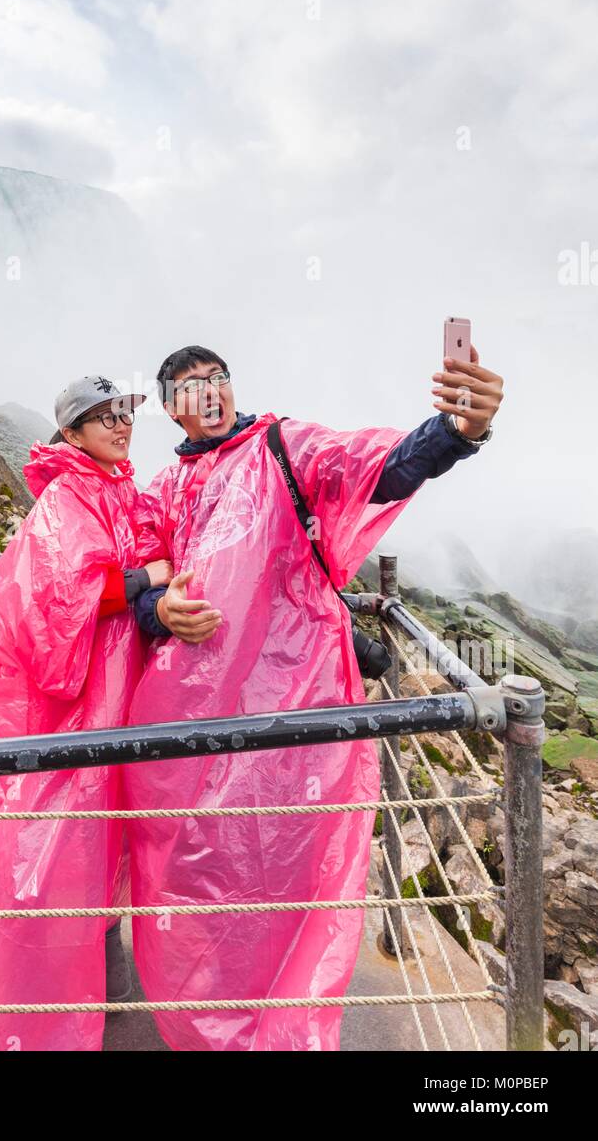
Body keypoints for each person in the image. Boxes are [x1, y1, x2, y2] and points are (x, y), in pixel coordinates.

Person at [126, 343, 504, 1051]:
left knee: (288, 863)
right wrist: (162, 614)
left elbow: (382, 468)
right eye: (186, 385)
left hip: (293, 704)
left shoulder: (284, 447)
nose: (206, 391)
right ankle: (210, 1026)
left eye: (216, 378)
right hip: (190, 717)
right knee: (198, 870)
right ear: (170, 406)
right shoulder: (162, 492)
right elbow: (141, 591)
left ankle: (280, 1028)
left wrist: (459, 429)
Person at [0, 375, 172, 1051]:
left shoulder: (111, 490)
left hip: (102, 696)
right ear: (71, 434)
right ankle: (44, 986)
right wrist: (146, 581)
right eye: (103, 420)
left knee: (91, 833)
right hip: (68, 707)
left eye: (123, 415)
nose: (120, 428)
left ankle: (93, 975)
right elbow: (66, 597)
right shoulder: (70, 498)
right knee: (60, 833)